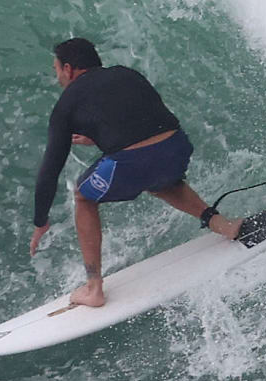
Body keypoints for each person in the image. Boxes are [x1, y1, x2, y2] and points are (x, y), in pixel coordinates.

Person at [28, 38, 240, 310]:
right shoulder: (127, 74)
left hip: (134, 162)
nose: (57, 77)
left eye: (56, 69)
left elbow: (50, 169)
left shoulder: (66, 104)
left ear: (68, 68)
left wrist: (40, 221)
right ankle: (222, 224)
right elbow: (145, 123)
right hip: (177, 146)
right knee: (161, 181)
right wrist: (98, 137)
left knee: (83, 196)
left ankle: (94, 288)